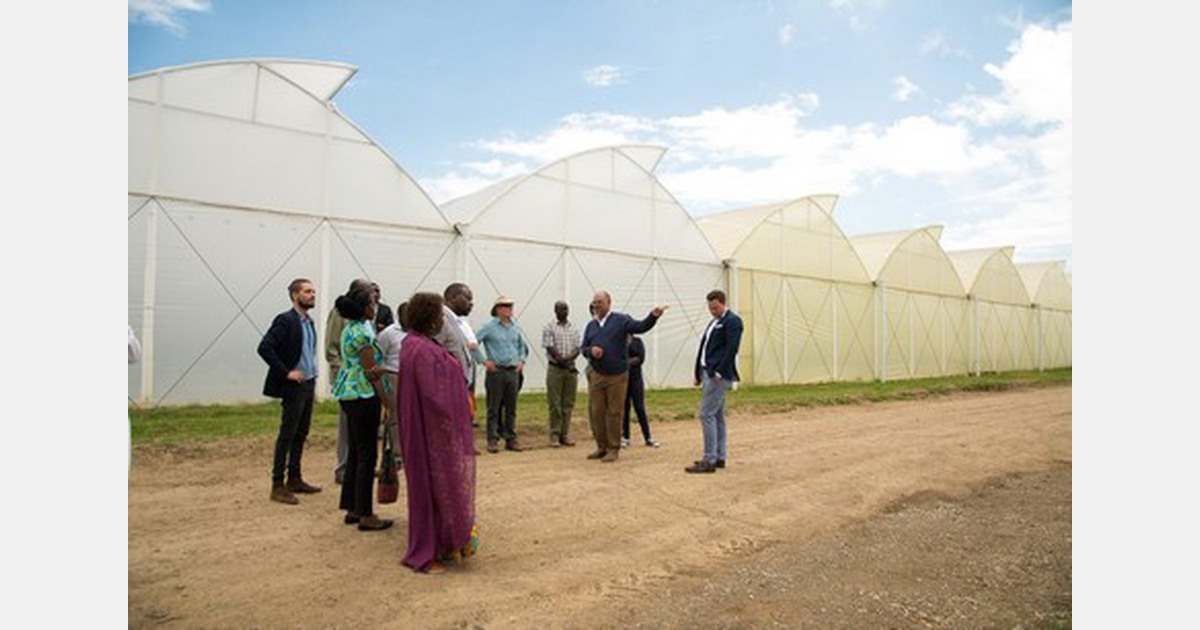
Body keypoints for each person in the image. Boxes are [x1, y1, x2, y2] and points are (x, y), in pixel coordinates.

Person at [396, 292, 479, 573]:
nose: (441, 321)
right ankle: (425, 553)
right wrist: (453, 370)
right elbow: (436, 396)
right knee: (430, 488)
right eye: (439, 316)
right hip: (429, 433)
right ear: (429, 317)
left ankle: (444, 543)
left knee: (437, 488)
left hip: (426, 430)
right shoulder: (422, 351)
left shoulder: (413, 344)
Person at [331, 284, 392, 531]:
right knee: (367, 454)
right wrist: (388, 401)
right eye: (372, 304)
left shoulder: (349, 329)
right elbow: (371, 372)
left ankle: (352, 507)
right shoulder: (363, 335)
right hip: (363, 395)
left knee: (356, 451)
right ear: (365, 307)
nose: (374, 308)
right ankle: (366, 513)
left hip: (348, 392)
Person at [580, 290, 667, 463]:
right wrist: (591, 351)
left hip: (617, 376)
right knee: (597, 413)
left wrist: (653, 317)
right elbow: (583, 348)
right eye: (595, 302)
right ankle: (601, 447)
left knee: (614, 413)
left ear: (609, 303)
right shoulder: (591, 326)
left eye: (600, 302)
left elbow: (640, 326)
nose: (597, 305)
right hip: (597, 375)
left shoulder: (620, 320)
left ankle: (613, 448)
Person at [257, 278, 322, 505]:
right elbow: (265, 347)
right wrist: (286, 372)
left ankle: (294, 478)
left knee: (301, 432)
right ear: (295, 295)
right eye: (307, 291)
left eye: (313, 291)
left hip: (308, 383)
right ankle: (277, 484)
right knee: (287, 433)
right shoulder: (286, 320)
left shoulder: (309, 321)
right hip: (294, 386)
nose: (312, 295)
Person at [686, 290, 744, 474]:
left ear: (723, 303)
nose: (712, 310)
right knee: (717, 416)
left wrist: (719, 370)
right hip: (707, 372)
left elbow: (731, 348)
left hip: (717, 375)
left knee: (706, 415)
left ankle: (709, 459)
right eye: (710, 308)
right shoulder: (714, 322)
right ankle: (719, 457)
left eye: (715, 307)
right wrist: (697, 372)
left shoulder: (732, 321)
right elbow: (704, 347)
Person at [326, 278, 373, 485]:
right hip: (352, 383)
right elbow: (332, 346)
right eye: (371, 293)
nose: (376, 297)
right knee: (348, 429)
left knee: (359, 435)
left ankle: (354, 469)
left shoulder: (365, 321)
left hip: (363, 382)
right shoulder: (341, 316)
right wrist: (341, 371)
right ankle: (343, 467)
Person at [475, 296, 529, 453]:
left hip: (512, 371)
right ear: (498, 309)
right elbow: (473, 344)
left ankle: (510, 437)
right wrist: (484, 361)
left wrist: (521, 360)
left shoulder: (515, 327)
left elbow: (522, 346)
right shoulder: (489, 327)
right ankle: (492, 439)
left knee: (511, 407)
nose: (510, 308)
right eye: (506, 306)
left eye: (511, 305)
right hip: (496, 371)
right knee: (494, 407)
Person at [432, 283, 480, 426]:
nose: (471, 303)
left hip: (459, 385)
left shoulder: (456, 321)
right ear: (452, 297)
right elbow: (435, 352)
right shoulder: (441, 319)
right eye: (467, 298)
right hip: (448, 386)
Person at [542, 300, 580, 447]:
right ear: (555, 311)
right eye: (560, 309)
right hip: (555, 369)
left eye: (565, 309)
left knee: (568, 403)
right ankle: (554, 434)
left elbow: (578, 347)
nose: (563, 312)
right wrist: (561, 359)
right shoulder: (549, 327)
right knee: (554, 403)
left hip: (570, 369)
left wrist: (569, 359)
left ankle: (565, 434)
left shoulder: (574, 328)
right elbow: (549, 347)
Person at [376, 301, 407, 465]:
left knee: (410, 415)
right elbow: (379, 355)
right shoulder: (389, 333)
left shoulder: (418, 333)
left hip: (411, 378)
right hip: (393, 375)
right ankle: (397, 453)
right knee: (394, 415)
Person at [622, 334, 660, 448]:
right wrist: (630, 360)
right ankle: (625, 437)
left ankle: (648, 437)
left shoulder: (637, 341)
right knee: (625, 408)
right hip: (623, 379)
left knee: (639, 407)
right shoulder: (618, 341)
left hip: (636, 379)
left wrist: (626, 362)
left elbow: (640, 358)